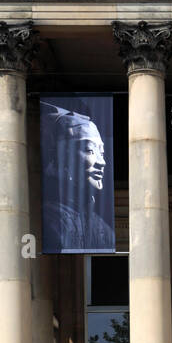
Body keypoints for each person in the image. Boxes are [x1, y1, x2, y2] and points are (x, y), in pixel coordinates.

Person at [42, 102, 115, 251]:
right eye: (89, 151)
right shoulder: (48, 220)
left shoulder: (103, 229)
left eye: (101, 153)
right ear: (61, 157)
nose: (102, 162)